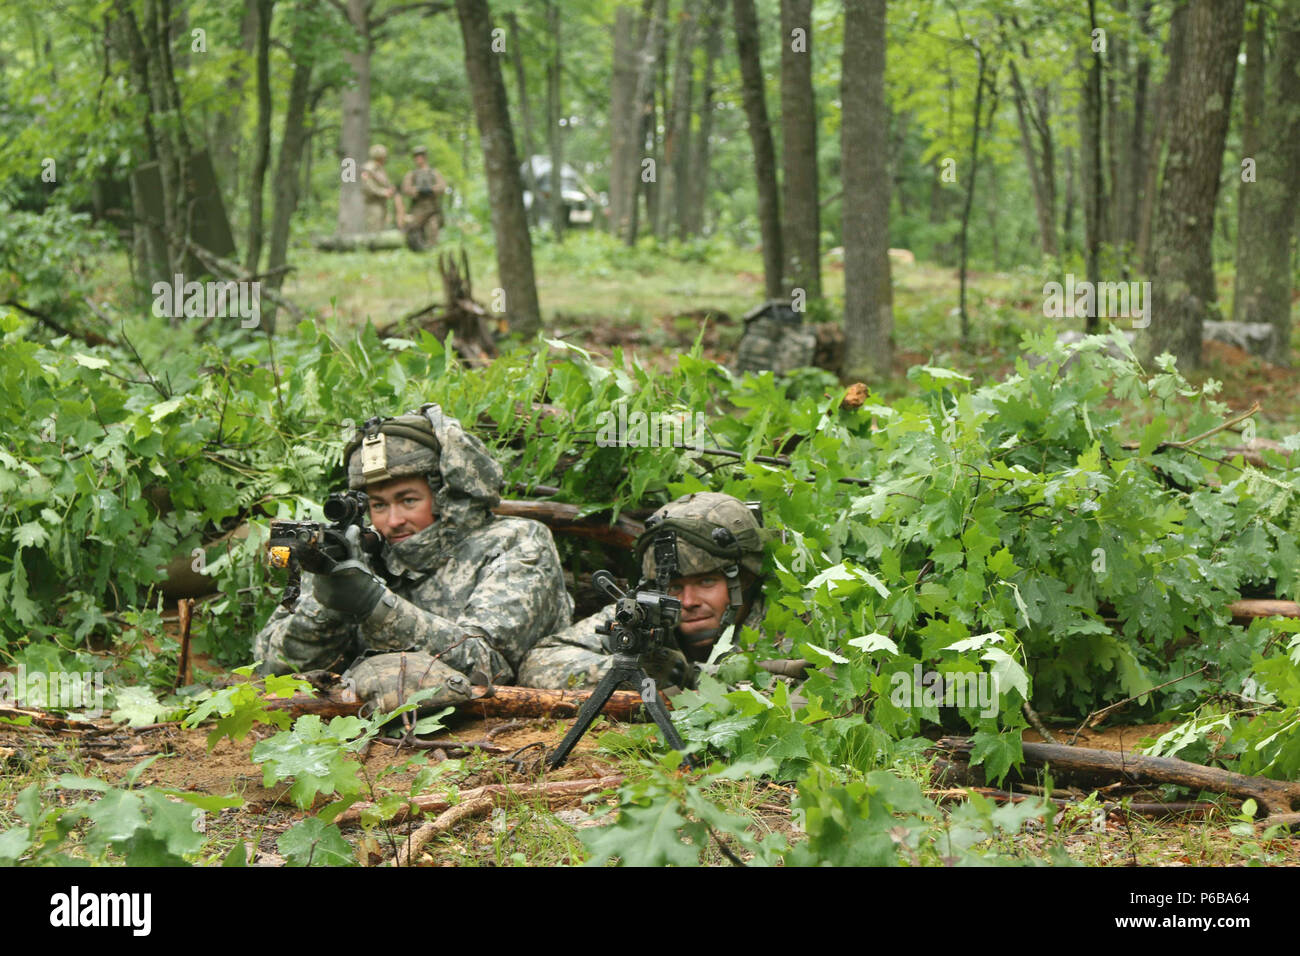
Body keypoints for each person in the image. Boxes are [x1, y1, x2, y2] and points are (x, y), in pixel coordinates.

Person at [254, 405, 573, 714]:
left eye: (408, 500)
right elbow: (273, 670)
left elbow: (490, 667)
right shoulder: (356, 551)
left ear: (445, 496)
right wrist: (324, 606)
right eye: (378, 505)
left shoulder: (516, 541)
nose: (392, 520)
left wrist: (374, 606)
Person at [517, 492, 766, 692]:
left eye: (706, 582)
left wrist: (689, 679)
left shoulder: (782, 620)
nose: (688, 602)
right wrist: (630, 672)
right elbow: (539, 663)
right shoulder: (648, 614)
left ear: (744, 579)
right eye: (675, 587)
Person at [401, 146, 448, 250]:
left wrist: (431, 189)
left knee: (433, 228)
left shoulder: (434, 173)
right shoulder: (412, 174)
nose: (418, 159)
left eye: (420, 157)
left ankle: (432, 250)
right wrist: (417, 190)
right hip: (418, 208)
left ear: (425, 157)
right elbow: (406, 189)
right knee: (412, 229)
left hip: (432, 207)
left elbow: (442, 187)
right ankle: (416, 250)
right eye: (416, 157)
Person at [360, 144, 405, 233]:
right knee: (374, 229)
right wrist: (383, 192)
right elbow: (368, 187)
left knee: (381, 228)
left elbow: (383, 183)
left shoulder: (380, 168)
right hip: (373, 203)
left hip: (381, 203)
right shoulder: (369, 168)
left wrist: (390, 189)